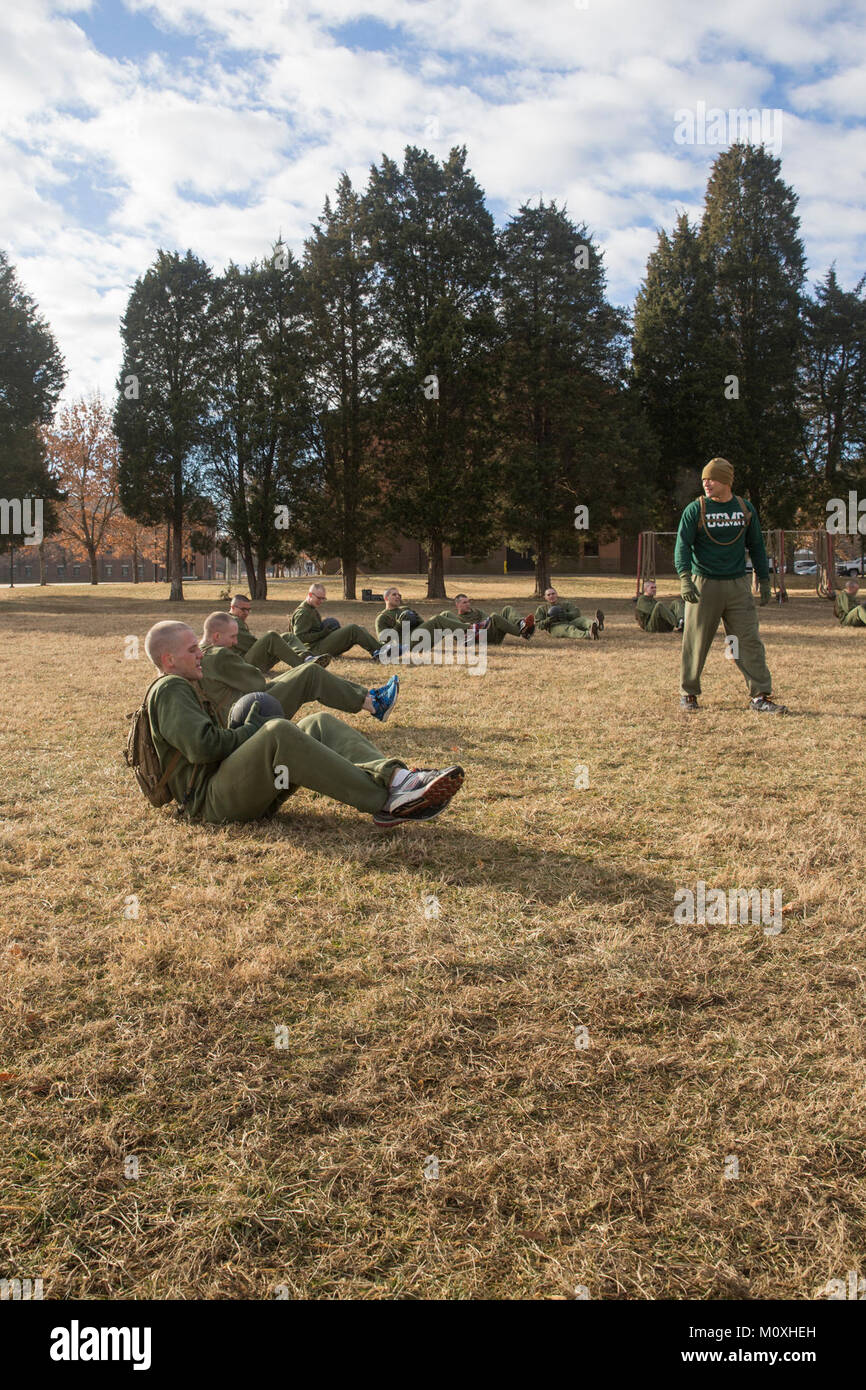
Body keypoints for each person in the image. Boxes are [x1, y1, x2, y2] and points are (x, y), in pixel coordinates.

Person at [142, 621, 464, 826]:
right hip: (208, 803)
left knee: (318, 723)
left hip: (231, 789)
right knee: (278, 731)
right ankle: (384, 801)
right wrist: (250, 731)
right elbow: (203, 748)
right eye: (192, 649)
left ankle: (397, 778)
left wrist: (243, 732)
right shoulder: (170, 688)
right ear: (169, 660)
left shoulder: (183, 684)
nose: (201, 653)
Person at [675, 457, 787, 713]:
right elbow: (682, 545)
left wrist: (765, 579)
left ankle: (760, 696)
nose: (706, 483)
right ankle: (688, 693)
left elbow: (757, 545)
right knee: (696, 640)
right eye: (704, 479)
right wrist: (685, 578)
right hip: (704, 584)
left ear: (725, 481)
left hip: (738, 585)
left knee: (748, 640)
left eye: (711, 478)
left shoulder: (744, 508)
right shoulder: (696, 509)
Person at [199, 612, 399, 725]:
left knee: (304, 670)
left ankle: (370, 698)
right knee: (310, 674)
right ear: (216, 637)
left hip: (237, 712)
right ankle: (374, 705)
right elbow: (257, 681)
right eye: (232, 637)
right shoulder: (219, 655)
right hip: (247, 718)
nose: (235, 642)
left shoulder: (199, 654)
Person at [228, 594, 328, 671]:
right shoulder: (233, 622)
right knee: (271, 636)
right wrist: (271, 644)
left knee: (287, 636)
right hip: (244, 665)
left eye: (248, 610)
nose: (246, 613)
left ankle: (308, 657)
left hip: (250, 662)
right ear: (232, 607)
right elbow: (250, 645)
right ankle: (303, 666)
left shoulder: (233, 620)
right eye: (243, 609)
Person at [292, 584, 387, 661]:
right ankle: (381, 650)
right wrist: (322, 633)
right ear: (310, 595)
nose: (321, 601)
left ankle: (377, 651)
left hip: (318, 645)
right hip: (313, 651)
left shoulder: (311, 609)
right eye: (319, 598)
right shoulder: (303, 613)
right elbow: (299, 638)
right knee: (353, 629)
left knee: (360, 629)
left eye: (323, 598)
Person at [374, 587, 475, 645]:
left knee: (446, 614)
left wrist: (416, 617)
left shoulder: (405, 609)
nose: (398, 597)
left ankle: (463, 638)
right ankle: (471, 627)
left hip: (422, 637)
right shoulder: (382, 617)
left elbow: (422, 624)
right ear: (386, 598)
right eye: (394, 595)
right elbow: (383, 641)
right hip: (407, 644)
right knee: (437, 619)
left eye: (399, 595)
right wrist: (399, 625)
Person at [449, 593, 535, 644]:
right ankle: (522, 631)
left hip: (491, 632)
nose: (468, 604)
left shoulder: (476, 611)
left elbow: (487, 620)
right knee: (494, 616)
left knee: (507, 609)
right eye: (464, 603)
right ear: (457, 605)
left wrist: (484, 623)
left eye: (468, 602)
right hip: (484, 639)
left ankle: (521, 623)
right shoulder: (458, 619)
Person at [534, 588, 603, 640]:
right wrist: (549, 620)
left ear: (556, 594)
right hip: (555, 627)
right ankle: (589, 634)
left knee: (582, 620)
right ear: (545, 597)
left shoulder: (565, 604)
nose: (551, 596)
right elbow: (539, 625)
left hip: (568, 621)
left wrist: (566, 615)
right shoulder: (542, 609)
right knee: (569, 629)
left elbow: (577, 612)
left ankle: (595, 625)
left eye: (553, 594)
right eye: (548, 595)